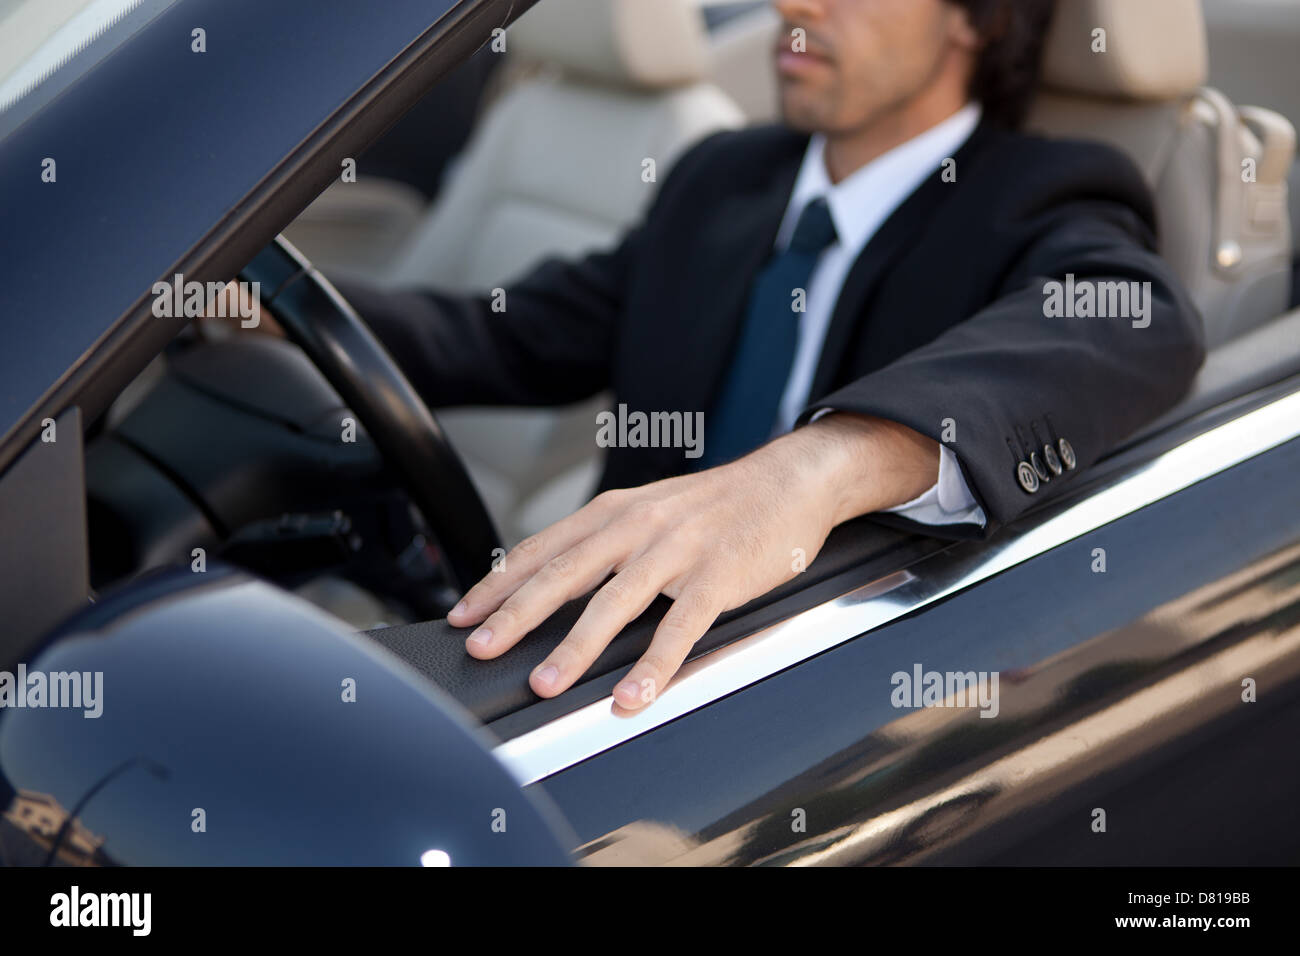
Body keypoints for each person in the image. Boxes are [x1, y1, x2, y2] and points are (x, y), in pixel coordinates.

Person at [324, 0, 1205, 711]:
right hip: (594, 649)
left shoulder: (1037, 191)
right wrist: (259, 307)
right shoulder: (723, 176)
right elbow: (509, 336)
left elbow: (1136, 320)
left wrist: (816, 468)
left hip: (823, 694)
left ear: (976, 20)